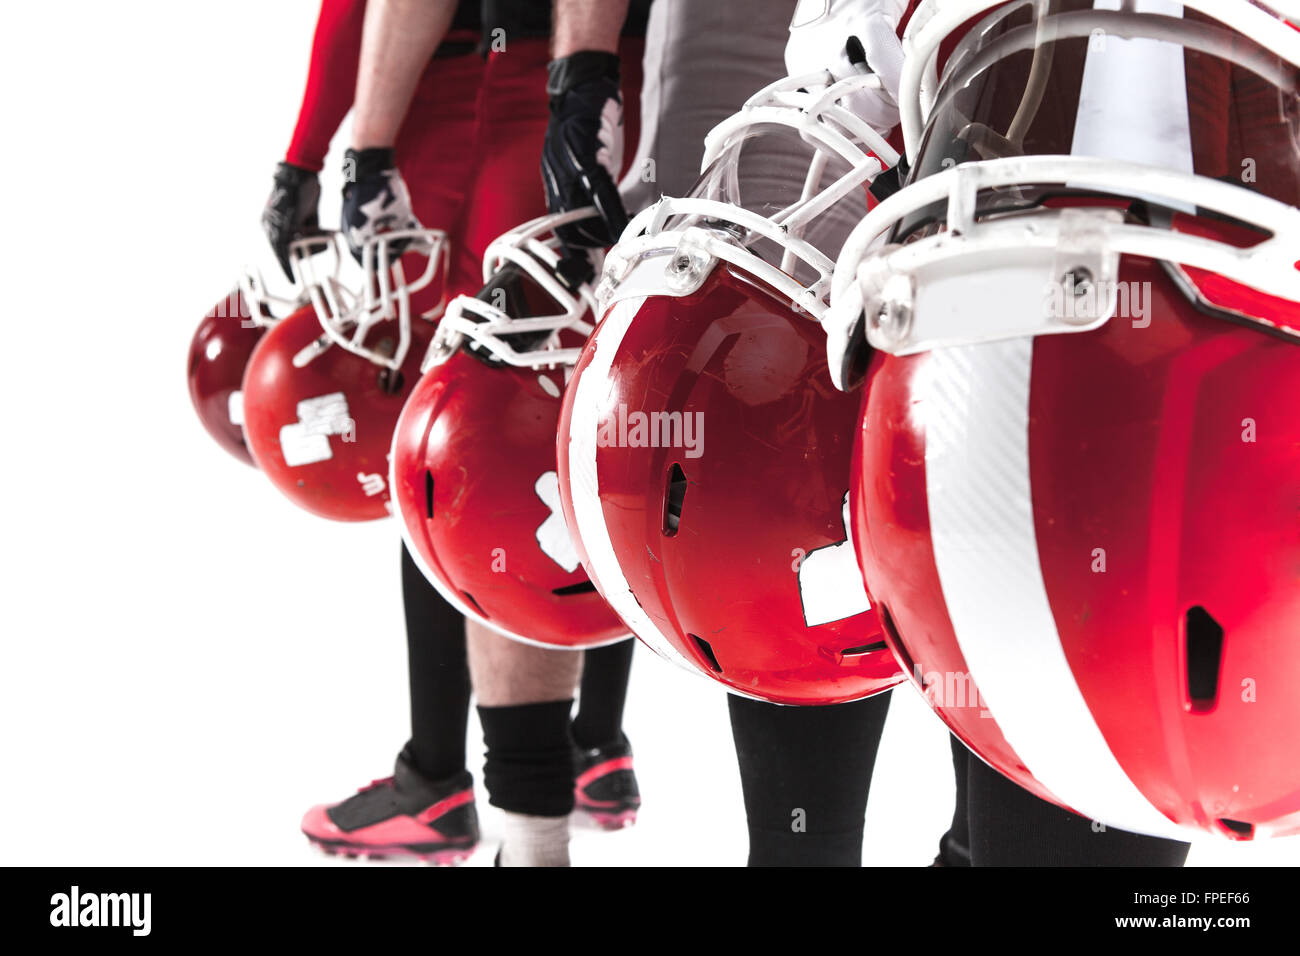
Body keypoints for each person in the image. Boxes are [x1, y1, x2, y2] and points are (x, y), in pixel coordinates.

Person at [258, 0, 645, 865]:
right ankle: (596, 746)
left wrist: (330, 151)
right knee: (609, 420)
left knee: (473, 446)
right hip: (664, 69)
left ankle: (459, 784)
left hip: (505, 83)